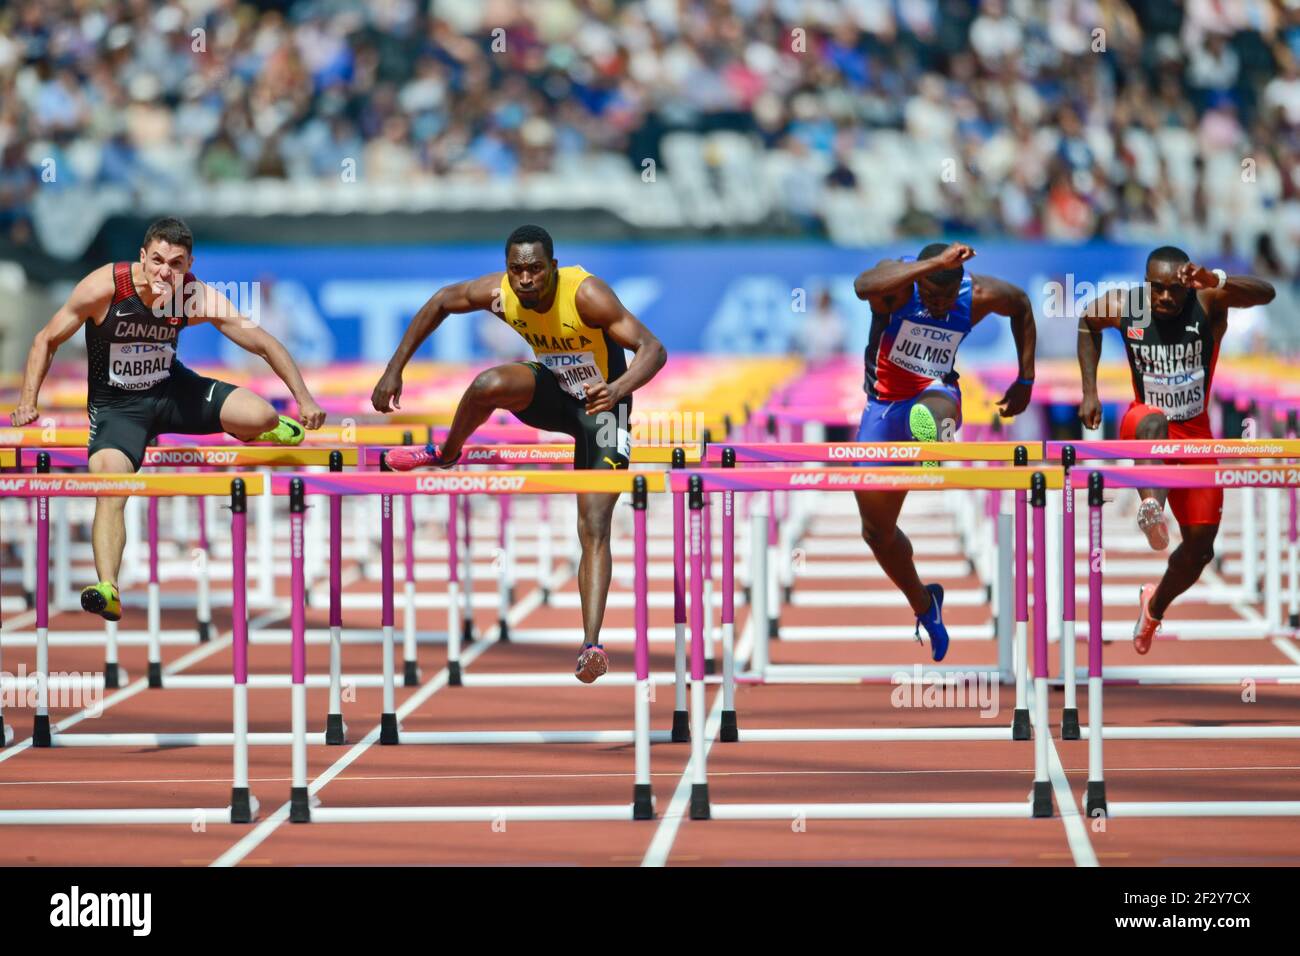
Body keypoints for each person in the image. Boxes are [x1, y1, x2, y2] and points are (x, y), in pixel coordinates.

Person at [370, 224, 667, 683]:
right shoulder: (502, 292)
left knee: (593, 523)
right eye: (516, 270)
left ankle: (591, 645)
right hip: (551, 395)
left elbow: (653, 348)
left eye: (534, 270)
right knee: (487, 384)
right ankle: (449, 452)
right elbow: (442, 300)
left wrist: (617, 389)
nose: (525, 280)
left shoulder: (586, 295)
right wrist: (394, 369)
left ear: (552, 267)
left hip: (601, 407)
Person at [8, 217, 325, 621]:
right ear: (142, 257)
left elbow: (262, 342)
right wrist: (27, 401)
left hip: (173, 393)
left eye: (175, 264)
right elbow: (45, 339)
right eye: (157, 260)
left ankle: (266, 428)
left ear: (189, 264)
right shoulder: (106, 287)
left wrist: (304, 398)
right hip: (117, 410)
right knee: (110, 486)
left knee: (261, 412)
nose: (164, 272)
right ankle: (108, 587)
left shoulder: (192, 296)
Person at [1078, 245, 1275, 653]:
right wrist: (1090, 391)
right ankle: (1151, 507)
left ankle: (1154, 605)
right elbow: (1086, 323)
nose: (1165, 297)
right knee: (1154, 421)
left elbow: (1266, 292)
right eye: (1156, 289)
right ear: (1144, 285)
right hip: (1143, 423)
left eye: (1173, 289)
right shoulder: (1124, 305)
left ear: (1186, 286)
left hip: (1196, 435)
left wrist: (1216, 280)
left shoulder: (1208, 299)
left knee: (1201, 548)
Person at [851, 241, 1037, 661]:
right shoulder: (898, 287)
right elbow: (862, 285)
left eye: (946, 298)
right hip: (882, 408)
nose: (938, 306)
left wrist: (1025, 379)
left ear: (961, 287)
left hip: (934, 394)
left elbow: (1022, 305)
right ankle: (924, 602)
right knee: (876, 533)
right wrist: (929, 266)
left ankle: (932, 443)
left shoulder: (980, 295)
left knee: (936, 405)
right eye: (931, 297)